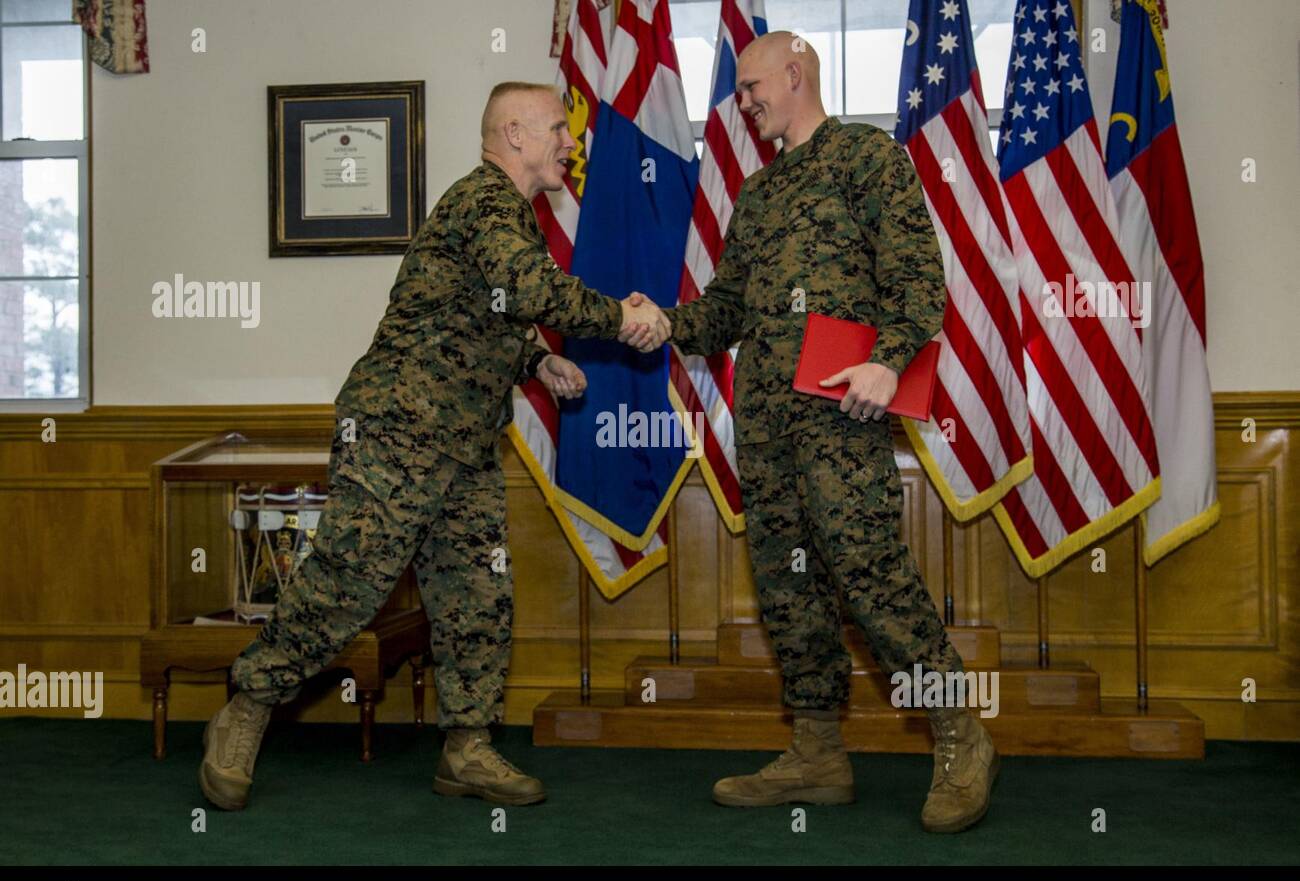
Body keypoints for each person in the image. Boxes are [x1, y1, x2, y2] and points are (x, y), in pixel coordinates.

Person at [200, 81, 669, 812]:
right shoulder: (484, 201)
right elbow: (527, 287)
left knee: (478, 596)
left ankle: (468, 748)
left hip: (466, 442)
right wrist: (622, 315)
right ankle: (246, 709)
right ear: (513, 134)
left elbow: (480, 312)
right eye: (556, 129)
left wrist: (534, 361)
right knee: (345, 585)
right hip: (398, 432)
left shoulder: (506, 213)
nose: (569, 143)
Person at [624, 32, 998, 833]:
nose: (745, 102)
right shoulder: (756, 197)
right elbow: (725, 309)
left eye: (753, 86)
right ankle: (819, 753)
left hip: (841, 417)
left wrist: (890, 362)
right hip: (766, 428)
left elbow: (917, 275)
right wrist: (667, 323)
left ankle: (961, 731)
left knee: (871, 578)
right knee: (788, 591)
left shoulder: (867, 158)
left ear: (795, 74)